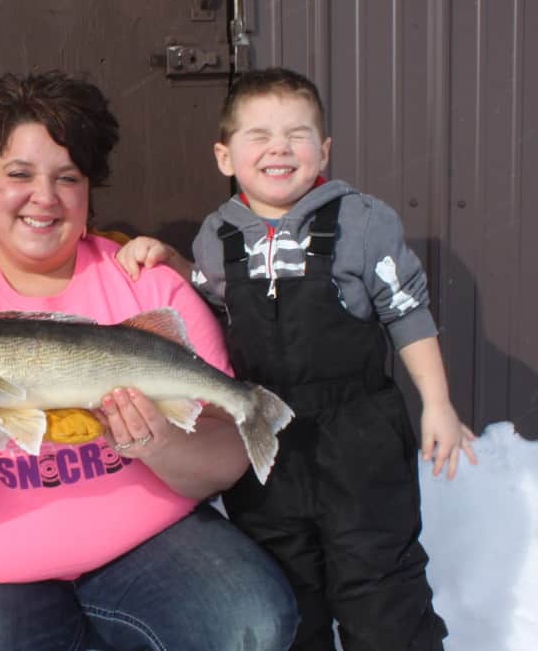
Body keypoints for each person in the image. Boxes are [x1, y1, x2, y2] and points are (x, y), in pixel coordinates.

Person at [0, 70, 298, 651]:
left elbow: (225, 457)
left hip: (149, 546)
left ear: (88, 193)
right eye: (19, 175)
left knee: (251, 622)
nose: (45, 196)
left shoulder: (148, 284)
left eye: (67, 177)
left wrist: (160, 442)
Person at [118, 67, 479, 650]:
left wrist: (437, 403)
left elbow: (407, 311)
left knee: (378, 584)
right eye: (259, 135)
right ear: (225, 156)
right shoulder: (218, 235)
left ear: (324, 149)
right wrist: (171, 262)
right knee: (288, 580)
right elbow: (213, 300)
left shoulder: (363, 222)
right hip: (264, 435)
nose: (279, 148)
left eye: (297, 134)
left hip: (357, 436)